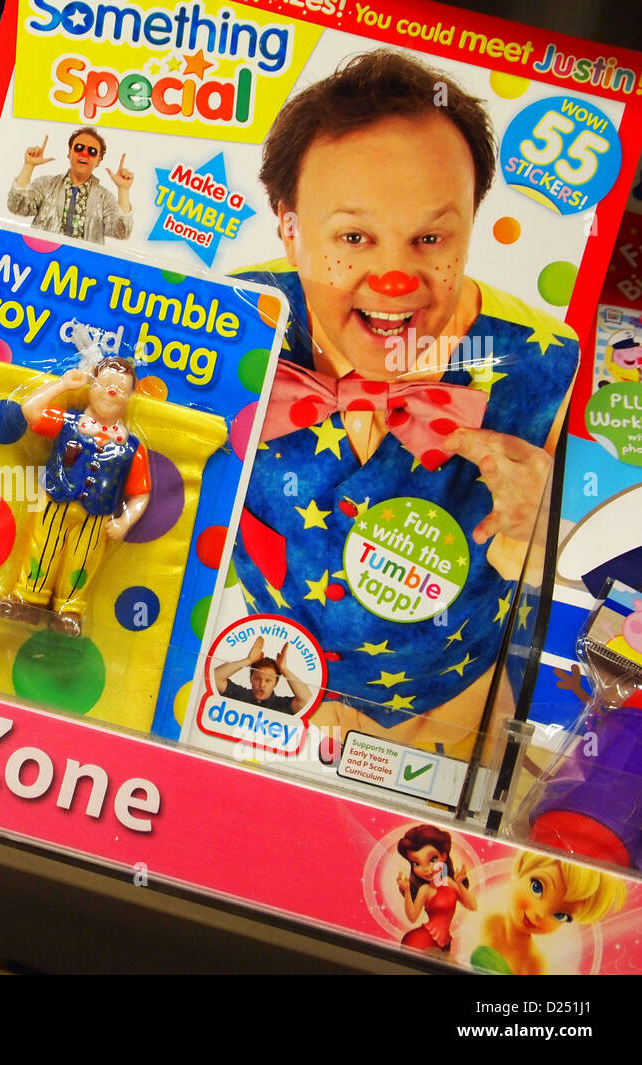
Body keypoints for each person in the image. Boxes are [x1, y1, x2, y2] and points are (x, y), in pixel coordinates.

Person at [231, 50, 579, 756]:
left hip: (455, 706)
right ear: (290, 228)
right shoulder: (231, 317)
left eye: (429, 238)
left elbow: (579, 586)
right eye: (353, 238)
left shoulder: (549, 364)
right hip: (261, 680)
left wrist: (553, 538)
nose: (393, 280)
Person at [0, 358, 150, 636]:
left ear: (130, 397)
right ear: (92, 386)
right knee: (41, 548)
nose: (112, 393)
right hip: (54, 503)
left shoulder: (132, 446)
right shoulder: (69, 422)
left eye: (120, 390)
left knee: (82, 561)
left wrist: (125, 522)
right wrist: (62, 385)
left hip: (96, 518)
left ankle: (69, 611)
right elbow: (30, 410)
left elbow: (141, 494)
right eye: (105, 386)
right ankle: (27, 599)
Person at [471, 851, 625, 975]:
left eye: (561, 915)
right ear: (520, 868)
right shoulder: (492, 922)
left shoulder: (533, 963)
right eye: (537, 887)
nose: (539, 914)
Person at [8, 127, 134, 245]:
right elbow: (17, 207)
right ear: (69, 152)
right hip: (41, 258)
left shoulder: (104, 198)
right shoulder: (46, 184)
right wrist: (29, 165)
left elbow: (121, 232)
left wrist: (123, 190)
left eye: (92, 151)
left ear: (98, 160)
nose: (84, 153)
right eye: (79, 147)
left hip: (83, 265)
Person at [395, 824, 477, 954]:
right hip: (421, 941)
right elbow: (412, 917)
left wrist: (460, 884)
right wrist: (406, 889)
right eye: (416, 863)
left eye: (432, 859)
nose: (426, 869)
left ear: (444, 856)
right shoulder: (425, 890)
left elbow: (472, 906)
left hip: (444, 943)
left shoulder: (450, 883)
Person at [213, 636, 311, 713]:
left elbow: (307, 701)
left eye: (268, 680)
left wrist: (284, 670)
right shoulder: (239, 694)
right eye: (257, 678)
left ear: (276, 683)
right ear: (250, 678)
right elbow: (214, 678)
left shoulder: (283, 705)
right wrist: (248, 660)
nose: (262, 684)